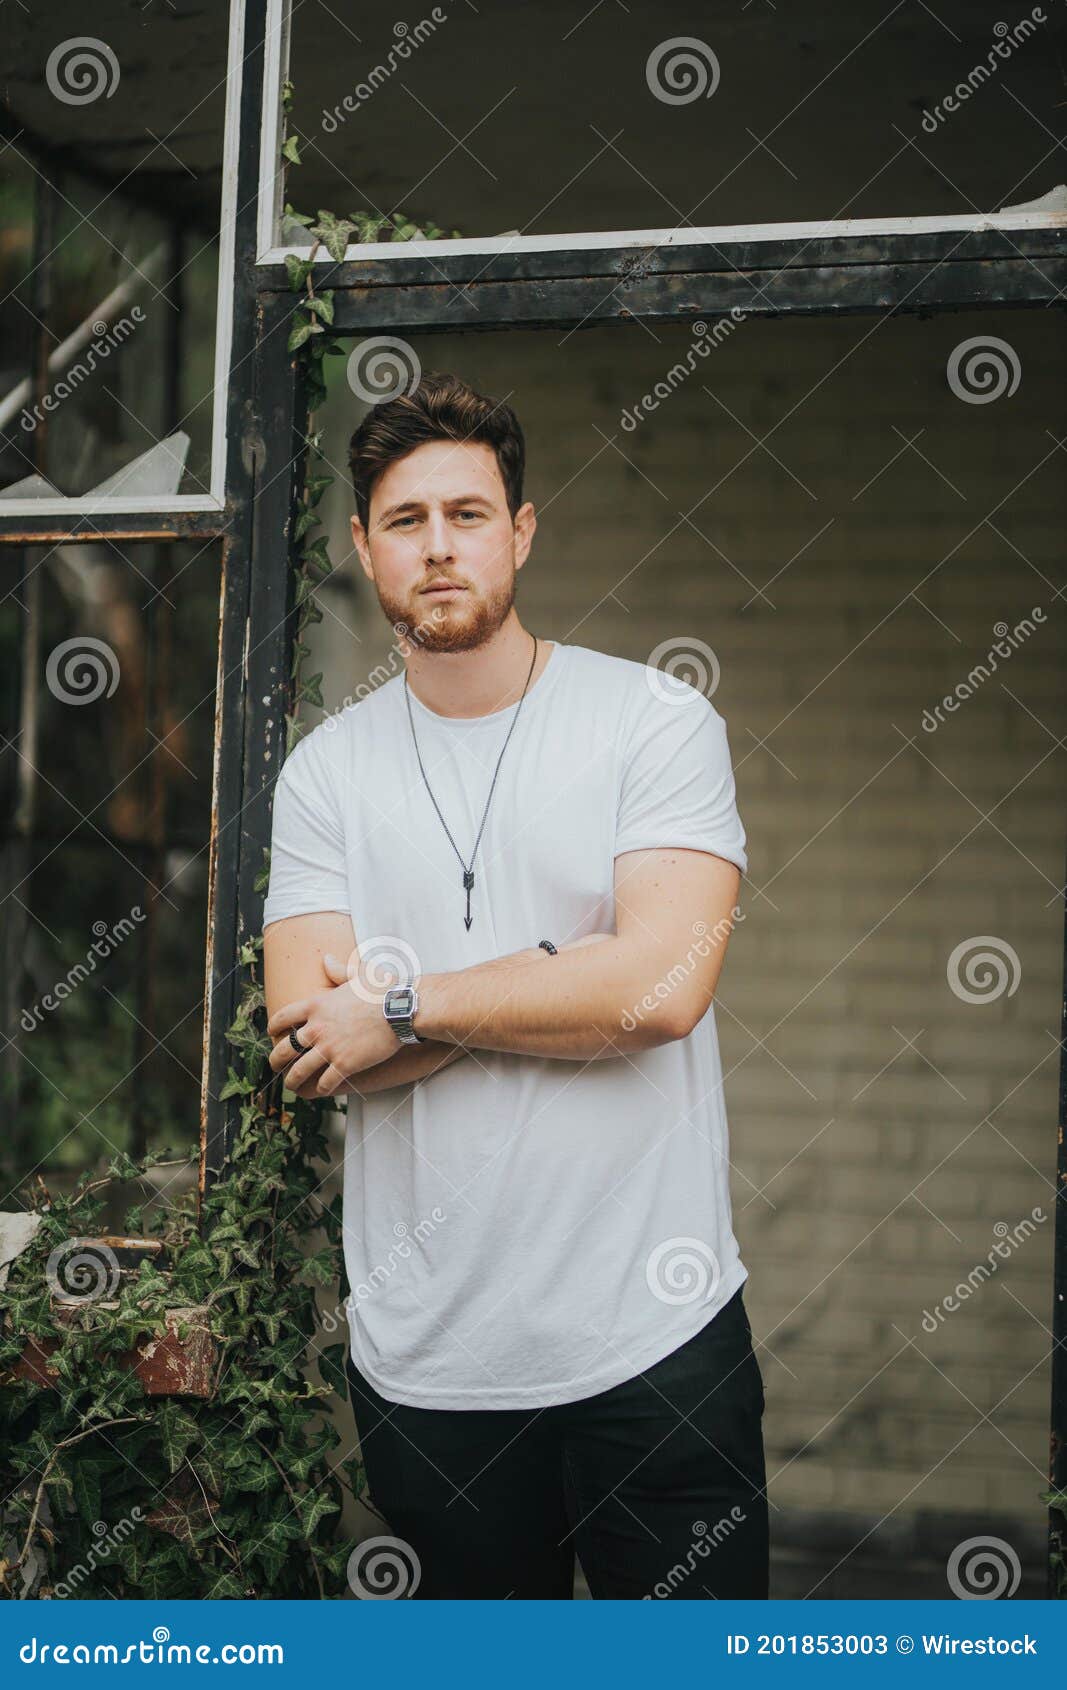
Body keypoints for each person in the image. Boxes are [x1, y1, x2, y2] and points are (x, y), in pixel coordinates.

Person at [262, 369, 768, 1599]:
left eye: (468, 513)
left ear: (521, 530)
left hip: (655, 1335)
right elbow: (310, 1042)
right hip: (432, 1360)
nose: (439, 547)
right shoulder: (326, 776)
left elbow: (659, 991)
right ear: (363, 547)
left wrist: (399, 1005)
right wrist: (563, 977)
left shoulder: (650, 721)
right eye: (405, 519)